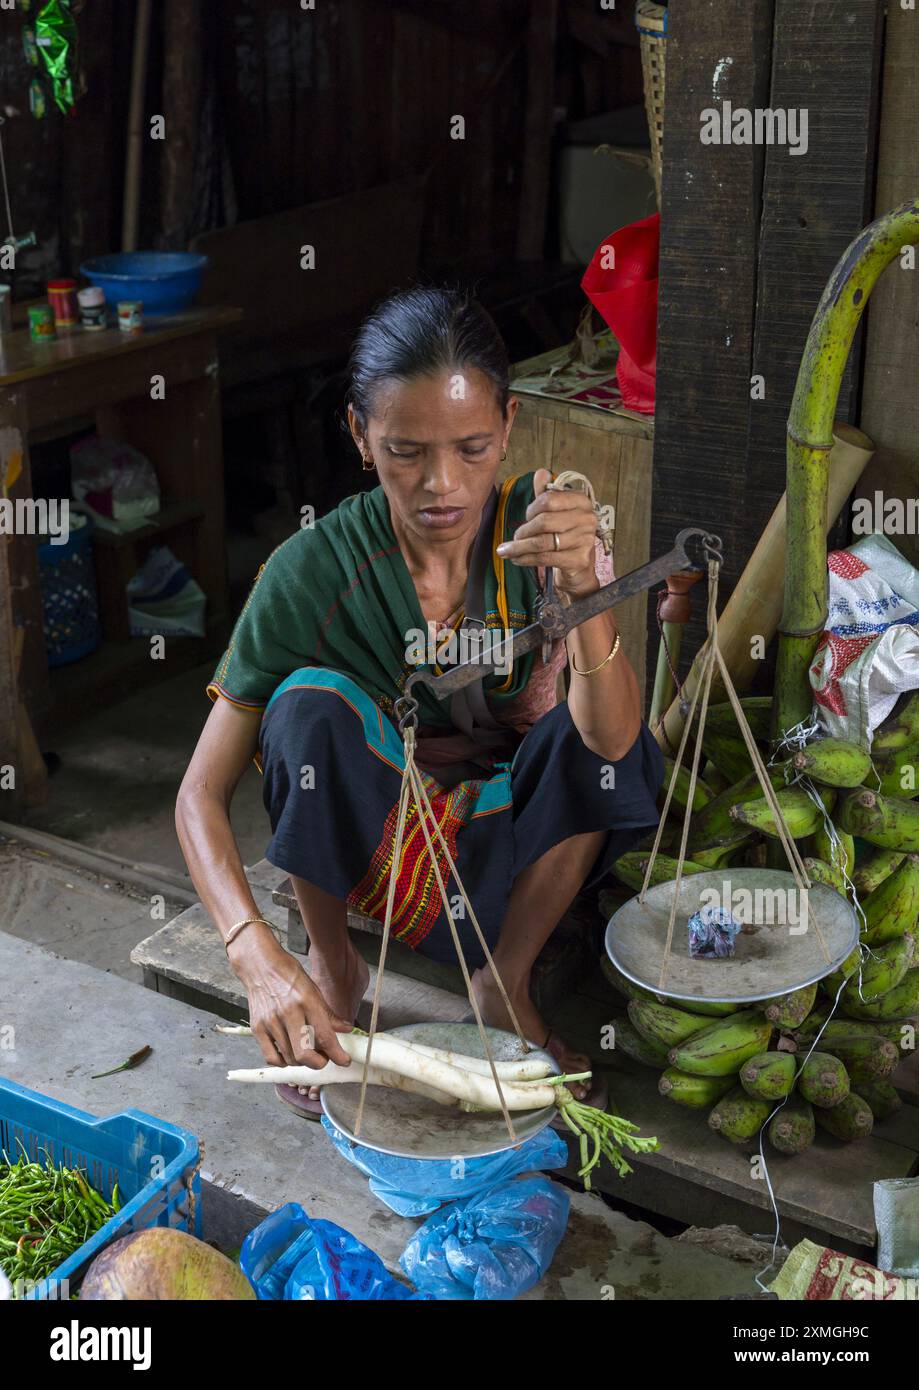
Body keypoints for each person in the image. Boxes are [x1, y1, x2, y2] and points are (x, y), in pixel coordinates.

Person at [176, 285, 663, 1114]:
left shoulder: (549, 530)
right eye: (405, 451)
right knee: (306, 708)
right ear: (360, 437)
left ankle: (501, 979)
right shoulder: (310, 573)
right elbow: (197, 795)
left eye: (473, 447)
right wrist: (254, 951)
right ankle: (335, 962)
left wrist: (586, 590)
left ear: (508, 424)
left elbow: (613, 746)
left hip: (517, 848)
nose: (443, 484)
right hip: (385, 846)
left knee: (610, 734)